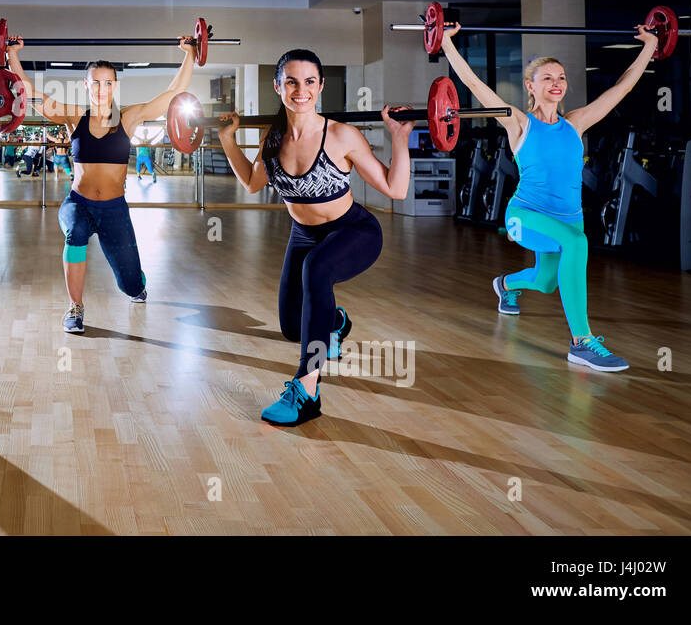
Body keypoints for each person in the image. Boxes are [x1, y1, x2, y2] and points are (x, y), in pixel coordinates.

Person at [439, 22, 655, 372]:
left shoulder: (576, 123)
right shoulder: (519, 123)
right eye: (547, 78)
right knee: (577, 243)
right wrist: (447, 43)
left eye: (561, 77)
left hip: (566, 217)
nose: (557, 84)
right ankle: (581, 342)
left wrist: (650, 45)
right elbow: (475, 86)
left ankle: (505, 285)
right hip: (525, 215)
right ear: (530, 86)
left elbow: (623, 87)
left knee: (545, 281)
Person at [217, 49, 413, 426]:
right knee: (294, 326)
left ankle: (307, 391)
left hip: (354, 231)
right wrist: (228, 139)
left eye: (309, 82)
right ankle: (335, 321)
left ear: (320, 86)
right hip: (304, 234)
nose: (300, 90)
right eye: (291, 81)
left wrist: (399, 137)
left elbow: (395, 187)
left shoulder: (342, 135)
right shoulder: (272, 140)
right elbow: (253, 182)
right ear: (278, 86)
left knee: (316, 270)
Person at [4, 32, 198, 334]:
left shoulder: (129, 118)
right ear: (85, 85)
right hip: (78, 203)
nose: (101, 88)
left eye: (107, 82)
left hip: (114, 210)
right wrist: (12, 54)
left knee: (130, 284)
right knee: (75, 234)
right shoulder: (73, 117)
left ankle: (136, 282)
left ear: (115, 85)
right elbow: (32, 96)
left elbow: (172, 95)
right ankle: (75, 307)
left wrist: (190, 53)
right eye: (95, 82)